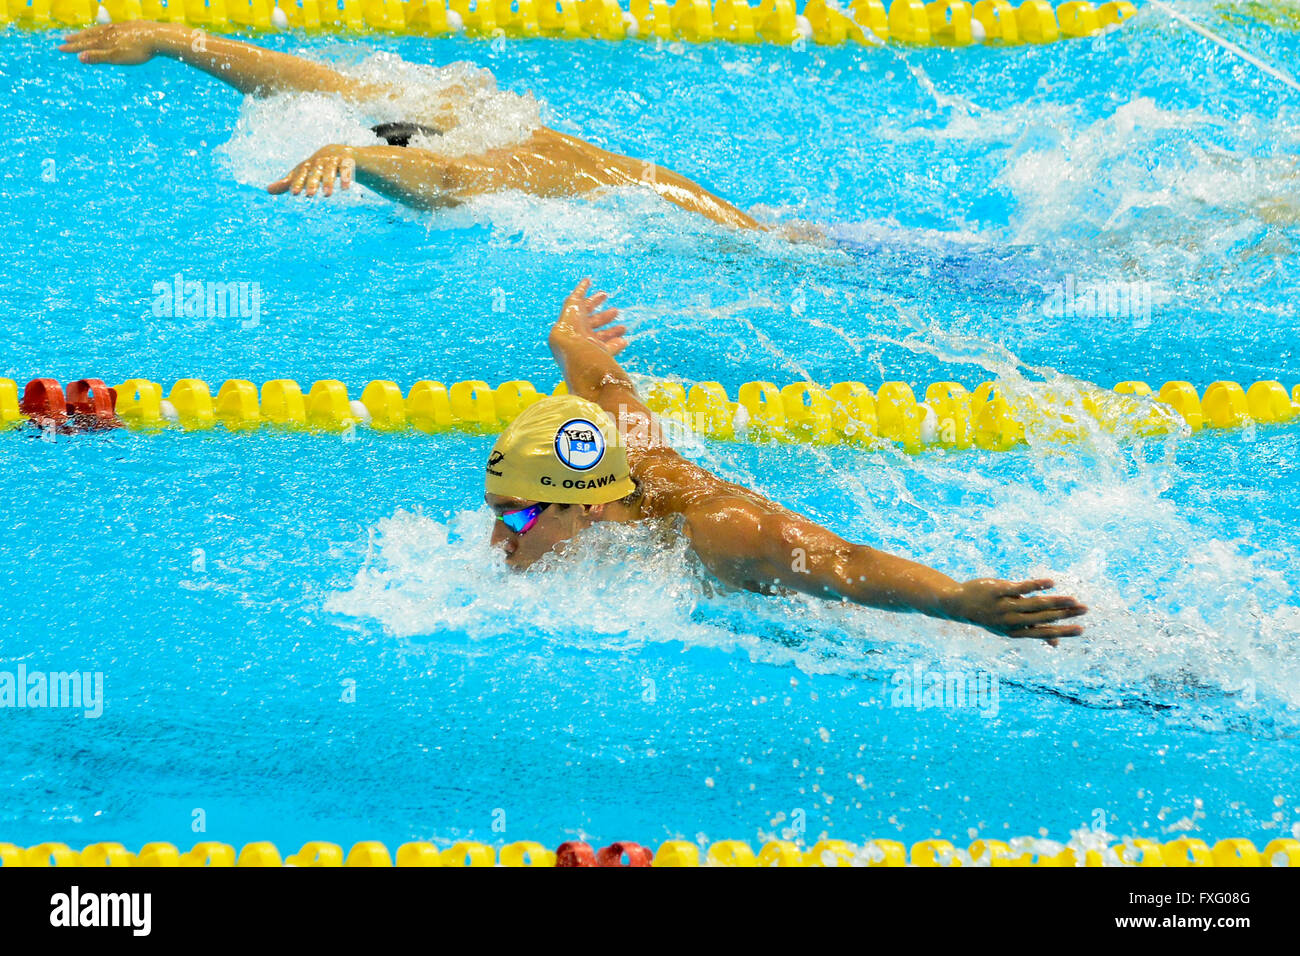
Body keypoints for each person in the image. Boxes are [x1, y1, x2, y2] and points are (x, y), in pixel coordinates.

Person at [485, 279, 1089, 642]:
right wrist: (569, 335)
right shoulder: (619, 445)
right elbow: (604, 383)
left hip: (901, 626)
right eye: (495, 511)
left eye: (514, 516)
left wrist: (957, 601)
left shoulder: (716, 530)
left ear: (588, 503)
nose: (495, 539)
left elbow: (843, 562)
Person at [58, 20, 760, 228]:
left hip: (743, 249)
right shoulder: (470, 116)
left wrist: (354, 158)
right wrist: (180, 42)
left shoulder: (516, 162)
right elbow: (318, 82)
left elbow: (453, 181)